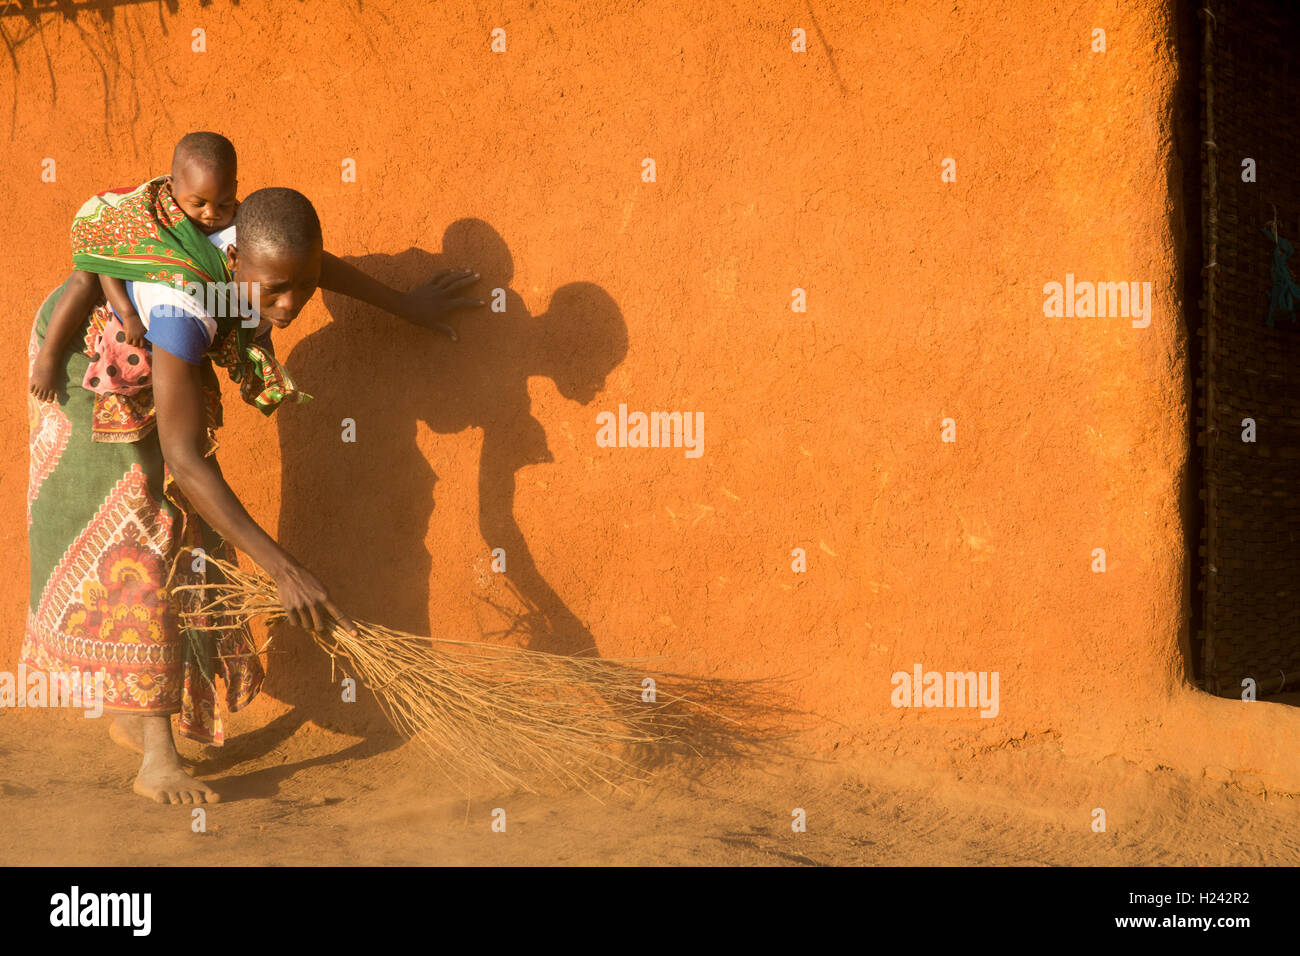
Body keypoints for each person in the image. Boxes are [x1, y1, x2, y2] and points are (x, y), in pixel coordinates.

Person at [23, 184, 484, 804]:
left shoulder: (257, 250)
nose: (290, 306)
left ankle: (138, 712)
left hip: (153, 351)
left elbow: (307, 264)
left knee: (190, 528)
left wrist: (405, 304)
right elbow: (185, 460)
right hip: (86, 366)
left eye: (302, 288)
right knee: (144, 529)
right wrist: (284, 571)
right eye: (275, 292)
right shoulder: (182, 312)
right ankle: (157, 757)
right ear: (236, 261)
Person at [28, 131, 240, 404]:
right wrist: (128, 314)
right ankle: (49, 355)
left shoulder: (238, 225)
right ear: (172, 187)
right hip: (114, 259)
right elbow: (110, 266)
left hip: (171, 331)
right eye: (198, 204)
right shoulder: (149, 217)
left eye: (223, 203)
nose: (211, 214)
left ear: (234, 190)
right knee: (85, 278)